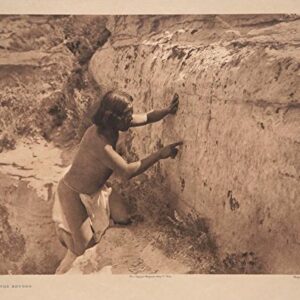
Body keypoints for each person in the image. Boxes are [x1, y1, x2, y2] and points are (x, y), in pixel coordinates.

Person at [52, 90, 182, 274]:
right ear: (114, 118)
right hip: (73, 192)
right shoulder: (99, 141)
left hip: (98, 187)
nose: (131, 117)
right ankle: (63, 234)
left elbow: (146, 117)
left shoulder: (114, 126)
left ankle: (91, 220)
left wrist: (167, 110)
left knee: (124, 218)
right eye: (127, 114)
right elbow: (127, 171)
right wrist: (160, 154)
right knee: (85, 248)